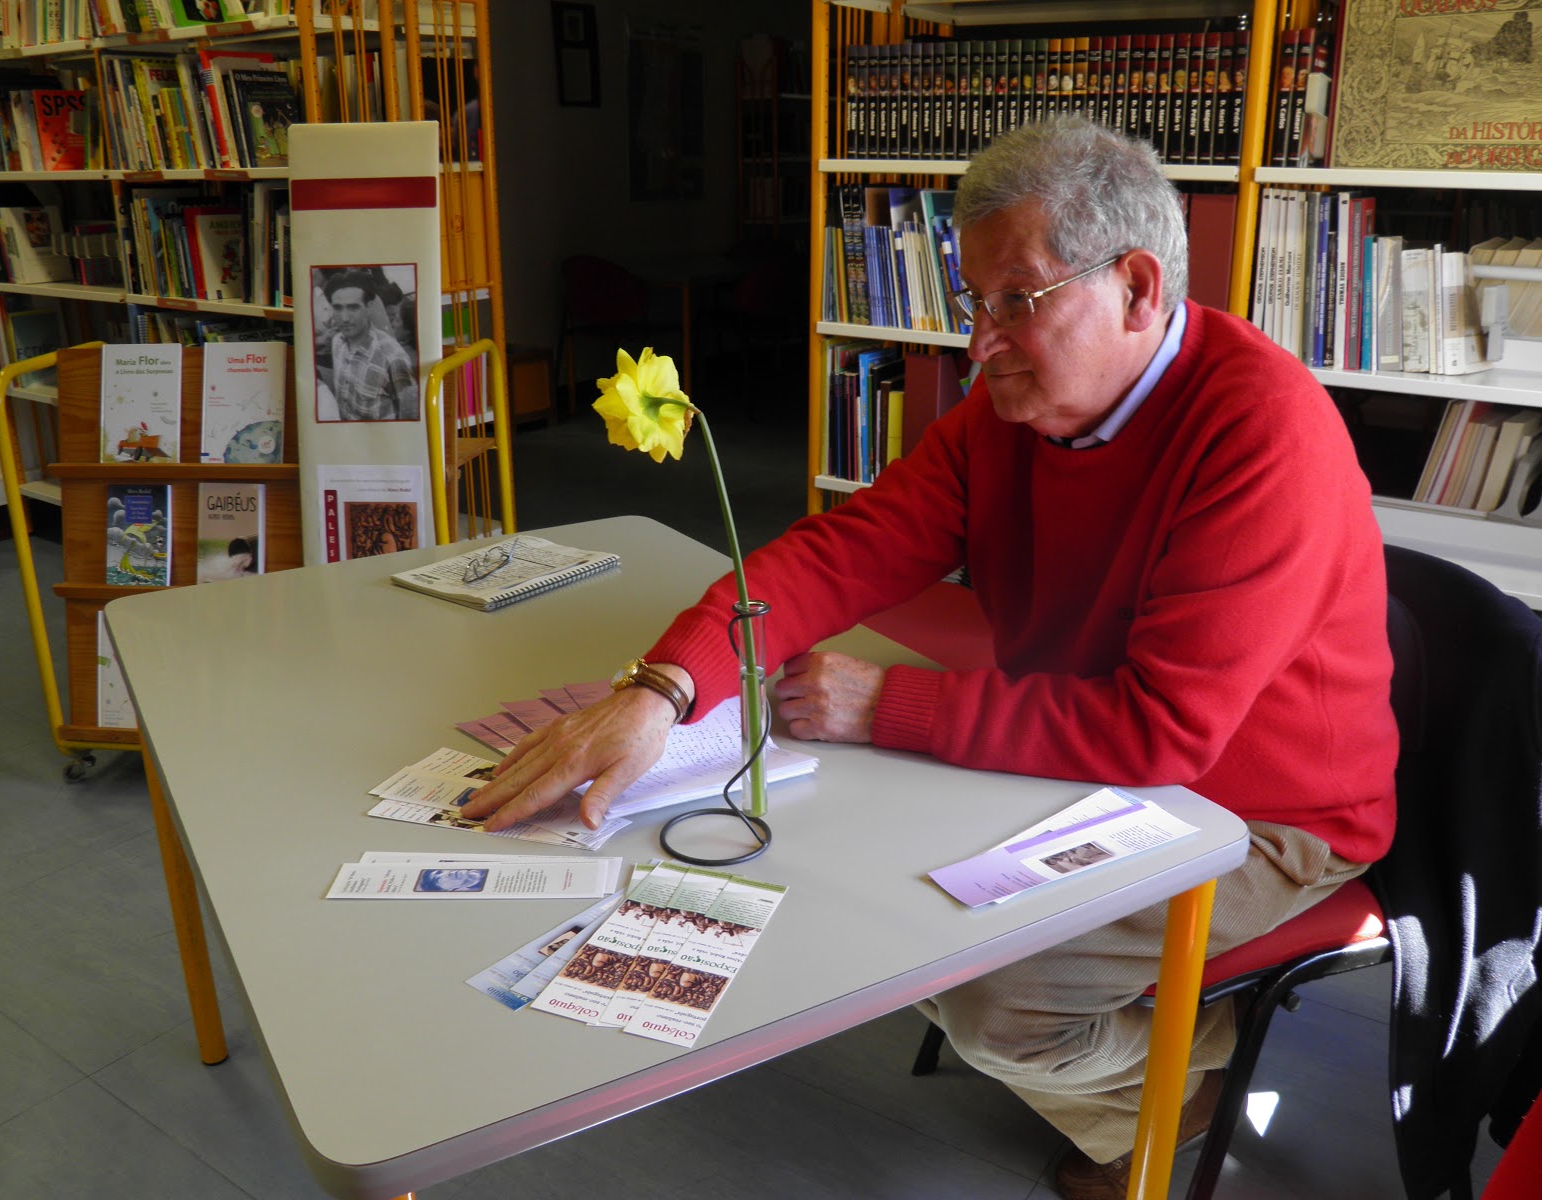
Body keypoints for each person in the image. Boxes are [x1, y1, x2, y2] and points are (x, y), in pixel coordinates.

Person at [460, 115, 1397, 1200]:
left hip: (1258, 810)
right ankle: (1139, 1042)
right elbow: (834, 555)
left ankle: (1182, 1079)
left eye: (1016, 301)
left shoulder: (1259, 430)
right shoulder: (1011, 412)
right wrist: (661, 690)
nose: (979, 342)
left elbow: (1161, 732)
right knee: (865, 895)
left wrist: (885, 708)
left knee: (995, 1004)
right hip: (1086, 763)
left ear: (1137, 288)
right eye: (973, 304)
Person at [320, 269, 418, 421]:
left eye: (354, 307)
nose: (345, 318)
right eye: (338, 308)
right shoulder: (337, 342)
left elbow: (411, 417)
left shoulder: (393, 358)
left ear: (370, 307)